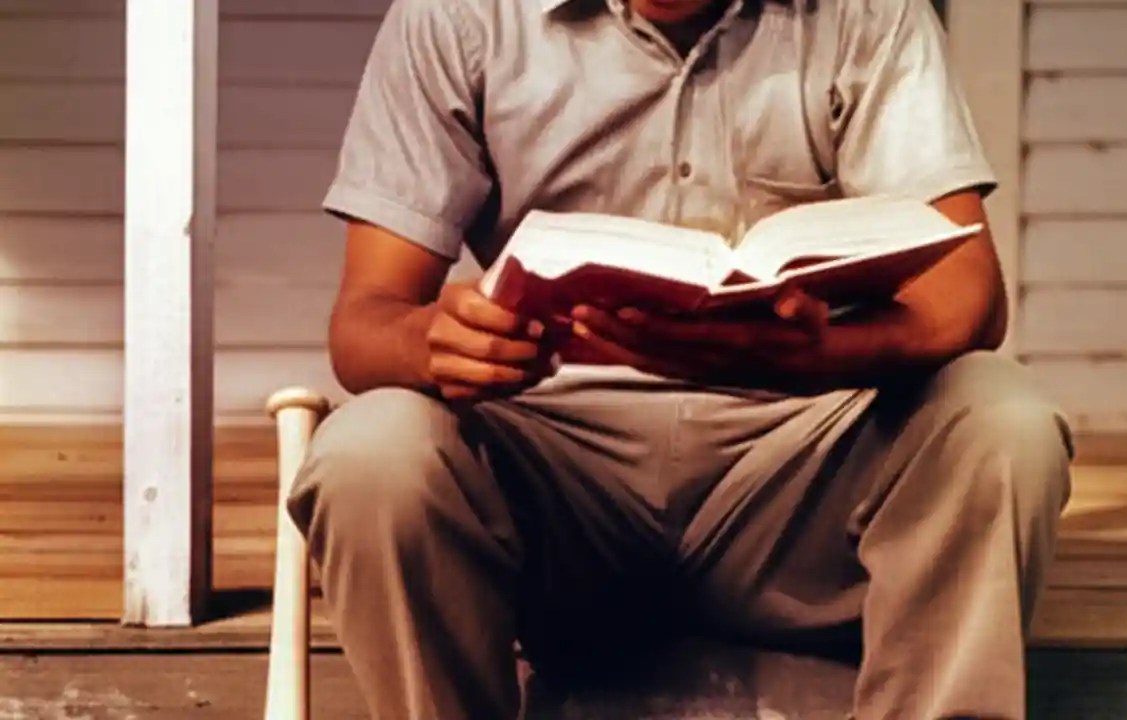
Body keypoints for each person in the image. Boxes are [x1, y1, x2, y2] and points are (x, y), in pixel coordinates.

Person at [286, 0, 1073, 717]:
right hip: (555, 495)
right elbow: (364, 324)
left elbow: (968, 298)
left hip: (798, 485)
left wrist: (820, 356)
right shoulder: (455, 18)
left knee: (999, 416)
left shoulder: (867, 12)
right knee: (371, 451)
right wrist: (433, 342)